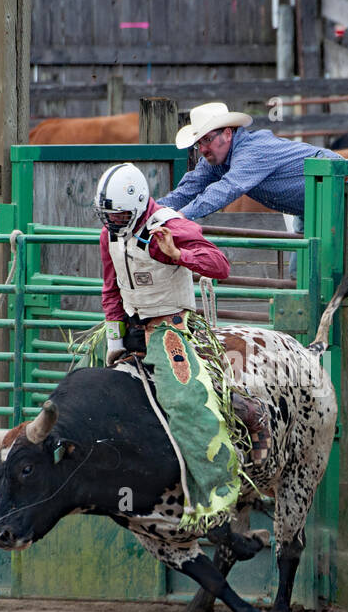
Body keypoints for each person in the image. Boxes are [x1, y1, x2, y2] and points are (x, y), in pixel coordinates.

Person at [95, 162, 266, 530]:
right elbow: (112, 288)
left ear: (139, 204)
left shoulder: (170, 227)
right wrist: (114, 338)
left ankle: (217, 494)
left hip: (172, 326)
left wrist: (178, 256)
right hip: (131, 325)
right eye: (107, 216)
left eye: (119, 215)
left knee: (184, 398)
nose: (112, 223)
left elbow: (220, 264)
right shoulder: (109, 235)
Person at [160, 102, 348, 267]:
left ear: (228, 133)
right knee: (302, 271)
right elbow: (186, 190)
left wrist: (182, 215)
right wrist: (154, 211)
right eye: (199, 143)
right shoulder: (215, 160)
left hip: (336, 192)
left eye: (207, 139)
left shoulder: (253, 151)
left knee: (347, 268)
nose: (203, 149)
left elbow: (229, 187)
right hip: (309, 204)